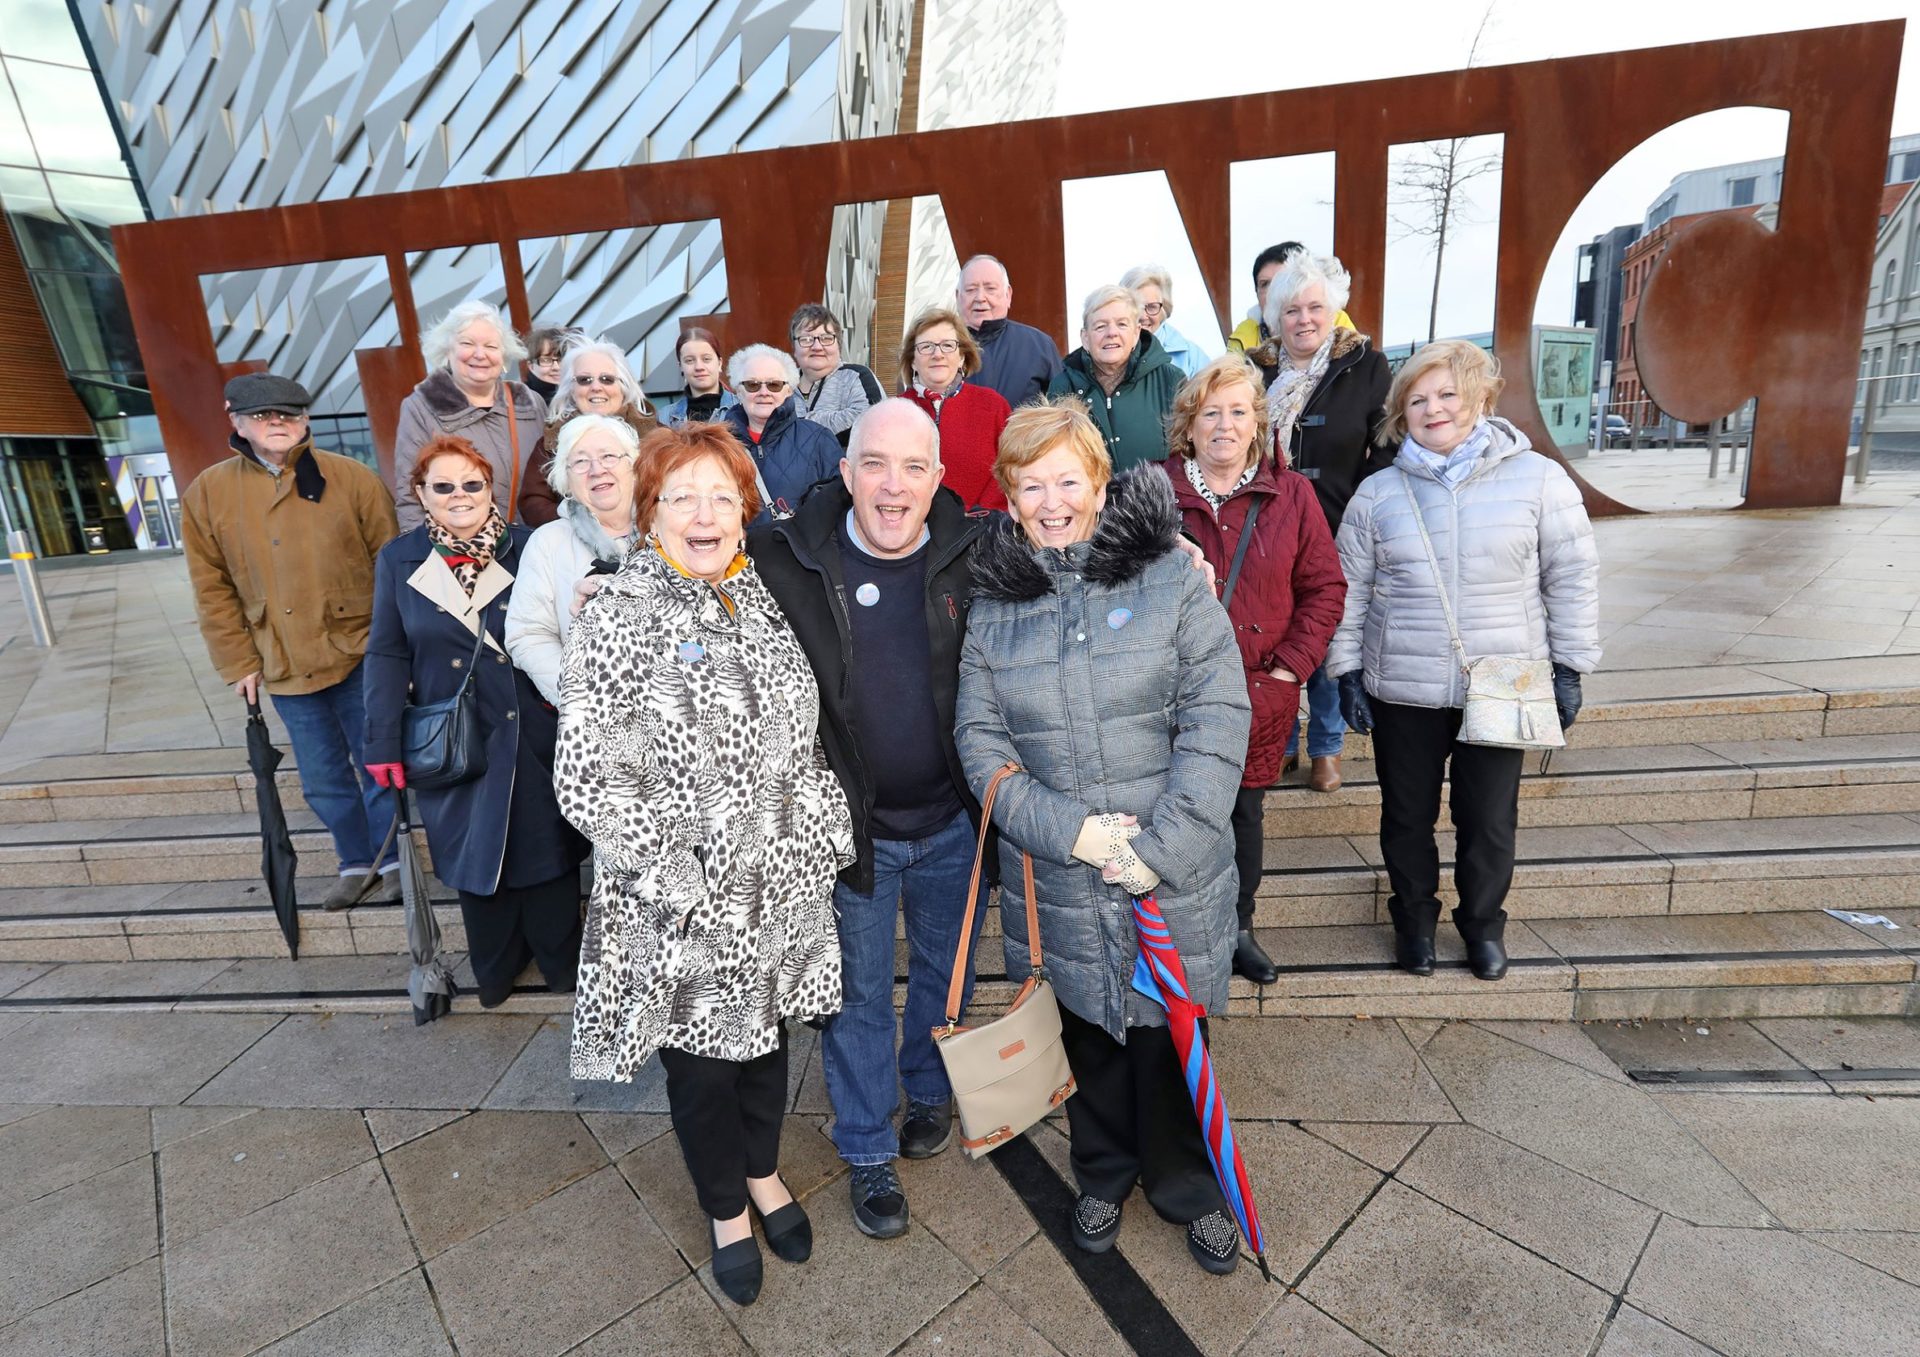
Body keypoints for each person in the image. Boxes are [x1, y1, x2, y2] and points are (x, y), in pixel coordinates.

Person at [555, 422, 852, 1308]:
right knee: (702, 1064)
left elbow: (802, 736)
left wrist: (823, 830)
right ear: (649, 512)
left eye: (724, 496)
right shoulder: (618, 611)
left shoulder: (757, 595)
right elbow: (584, 776)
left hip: (774, 883)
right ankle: (726, 1207)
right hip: (679, 900)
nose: (706, 514)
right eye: (682, 495)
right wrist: (674, 877)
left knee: (765, 1046)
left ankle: (764, 1173)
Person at [955, 400, 1252, 1276]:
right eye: (1031, 483)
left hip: (1170, 870)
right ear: (1009, 496)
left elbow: (1217, 713)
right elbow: (982, 743)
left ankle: (1187, 1184)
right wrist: (1074, 834)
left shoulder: (1167, 577)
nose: (1052, 501)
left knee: (1168, 1039)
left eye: (1067, 479)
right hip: (1061, 877)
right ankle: (1101, 1170)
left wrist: (1158, 845)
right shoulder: (993, 607)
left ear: (1098, 477)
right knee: (1088, 1033)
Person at [750, 399, 992, 1241]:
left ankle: (926, 1090)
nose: (893, 487)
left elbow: (1072, 547)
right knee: (855, 996)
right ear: (846, 472)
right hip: (849, 832)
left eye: (913, 468)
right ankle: (865, 1148)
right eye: (876, 465)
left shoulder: (977, 550)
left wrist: (1164, 553)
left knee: (942, 972)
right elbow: (691, 564)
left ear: (938, 479)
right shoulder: (785, 555)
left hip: (955, 822)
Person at [1327, 340, 1600, 983]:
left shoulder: (1538, 479)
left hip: (1509, 677)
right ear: (1401, 414)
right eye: (1417, 400)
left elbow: (1572, 575)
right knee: (1406, 815)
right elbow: (1351, 590)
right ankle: (1415, 923)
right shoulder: (1377, 494)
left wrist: (1570, 666)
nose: (1433, 409)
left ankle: (1482, 926)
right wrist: (1345, 671)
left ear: (1479, 396)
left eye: (1448, 394)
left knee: (1489, 819)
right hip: (1405, 681)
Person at [363, 435, 588, 1004]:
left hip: (531, 724)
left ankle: (563, 964)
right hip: (452, 732)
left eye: (473, 484)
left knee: (546, 846)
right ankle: (496, 968)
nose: (460, 495)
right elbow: (388, 652)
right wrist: (383, 740)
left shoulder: (529, 544)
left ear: (492, 489)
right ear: (421, 494)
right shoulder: (400, 557)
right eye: (444, 486)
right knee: (473, 848)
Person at [182, 372, 402, 911]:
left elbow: (392, 565)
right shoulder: (208, 491)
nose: (277, 423)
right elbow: (211, 586)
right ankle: (355, 862)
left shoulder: (352, 478)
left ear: (305, 420)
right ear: (237, 422)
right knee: (322, 776)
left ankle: (393, 861)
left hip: (360, 651)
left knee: (378, 763)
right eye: (263, 416)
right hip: (280, 660)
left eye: (288, 413)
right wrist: (238, 662)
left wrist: (396, 651)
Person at [1163, 355, 1346, 985]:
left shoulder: (1292, 496)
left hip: (1256, 693)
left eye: (1238, 412)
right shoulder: (1153, 493)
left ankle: (1238, 929)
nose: (1224, 424)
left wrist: (1292, 672)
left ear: (1258, 425)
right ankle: (1173, 931)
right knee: (1171, 814)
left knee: (1243, 815)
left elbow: (1325, 589)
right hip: (1169, 697)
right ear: (1189, 426)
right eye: (1210, 412)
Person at [1251, 252, 1393, 794]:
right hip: (1267, 530)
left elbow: (1385, 447)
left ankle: (1326, 747)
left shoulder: (1366, 367)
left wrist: (1360, 510)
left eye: (1315, 307)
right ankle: (1282, 739)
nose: (1303, 319)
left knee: (1327, 636)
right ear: (1275, 317)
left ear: (1333, 312)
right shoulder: (1257, 371)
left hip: (1337, 525)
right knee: (1273, 633)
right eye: (1291, 310)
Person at [504, 414, 642, 706]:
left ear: (633, 464)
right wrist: (581, 695)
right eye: (580, 462)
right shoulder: (547, 542)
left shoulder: (670, 528)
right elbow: (528, 635)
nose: (596, 470)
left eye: (608, 456)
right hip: (594, 719)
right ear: (565, 479)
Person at [393, 300, 547, 531]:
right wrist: (425, 557)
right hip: (465, 551)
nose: (480, 354)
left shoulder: (530, 402)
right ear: (447, 351)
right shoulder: (421, 407)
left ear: (503, 355)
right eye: (467, 343)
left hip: (535, 546)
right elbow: (409, 495)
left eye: (491, 346)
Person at [518, 339, 658, 527]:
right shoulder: (551, 442)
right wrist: (582, 525)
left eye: (607, 379)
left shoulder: (657, 436)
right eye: (584, 380)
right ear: (571, 389)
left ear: (623, 386)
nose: (596, 387)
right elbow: (533, 501)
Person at [1048, 285, 1183, 473]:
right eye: (1100, 326)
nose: (1111, 333)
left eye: (1121, 324)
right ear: (1085, 338)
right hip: (1089, 502)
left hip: (1157, 501)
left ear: (1136, 333)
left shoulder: (1171, 380)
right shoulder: (1063, 386)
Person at [895, 306, 1011, 509]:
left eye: (947, 345)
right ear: (913, 360)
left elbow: (1011, 465)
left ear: (962, 357)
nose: (937, 354)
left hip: (981, 529)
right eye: (926, 346)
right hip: (912, 531)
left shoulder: (993, 406)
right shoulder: (893, 412)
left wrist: (982, 515)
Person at [722, 344, 843, 522]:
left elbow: (840, 505)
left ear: (789, 390)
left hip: (796, 549)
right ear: (738, 391)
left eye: (774, 385)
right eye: (752, 385)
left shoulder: (819, 440)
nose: (764, 392)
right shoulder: (718, 443)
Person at [956, 254, 1061, 408]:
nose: (980, 297)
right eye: (971, 289)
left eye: (990, 289)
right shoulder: (940, 346)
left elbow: (1061, 412)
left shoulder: (1039, 346)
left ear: (1008, 295)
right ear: (958, 296)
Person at [1227, 242, 1355, 358]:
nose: (1273, 291)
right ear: (1256, 292)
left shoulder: (1338, 322)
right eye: (1265, 284)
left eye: (1281, 282)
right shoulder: (1242, 337)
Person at [791, 303, 886, 446]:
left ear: (838, 345)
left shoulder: (857, 376)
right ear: (794, 349)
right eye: (806, 339)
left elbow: (870, 419)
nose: (817, 347)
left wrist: (804, 424)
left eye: (826, 338)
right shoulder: (780, 386)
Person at [1121, 264, 1206, 379]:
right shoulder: (1109, 351)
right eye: (1136, 307)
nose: (1142, 315)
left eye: (1152, 307)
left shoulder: (1190, 356)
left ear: (1165, 308)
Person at [661, 327, 738, 427]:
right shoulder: (664, 418)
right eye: (689, 360)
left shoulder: (743, 408)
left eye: (706, 359)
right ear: (680, 366)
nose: (699, 367)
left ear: (719, 363)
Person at [524, 324, 581, 404]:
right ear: (531, 366)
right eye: (546, 360)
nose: (556, 367)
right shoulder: (522, 403)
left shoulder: (585, 395)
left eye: (562, 359)